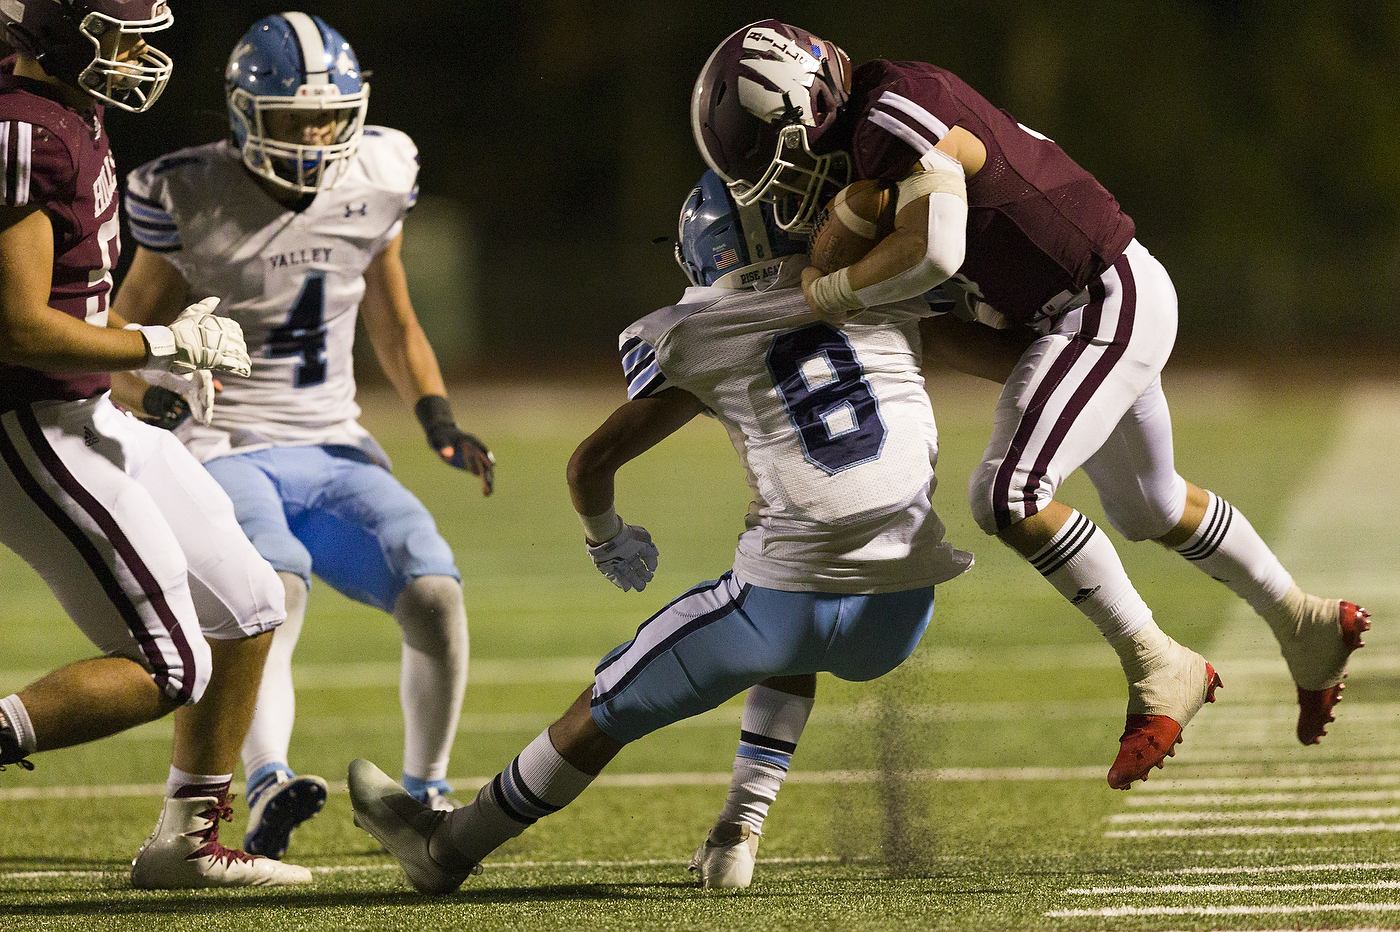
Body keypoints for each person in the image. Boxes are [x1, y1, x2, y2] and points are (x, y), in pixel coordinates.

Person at [691, 20, 1370, 791]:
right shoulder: (872, 151)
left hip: (1100, 298)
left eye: (780, 162)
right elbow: (944, 332)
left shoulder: (890, 112)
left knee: (1007, 492)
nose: (787, 189)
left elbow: (938, 250)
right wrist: (1033, 373)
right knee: (1149, 505)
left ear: (810, 105)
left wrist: (832, 291)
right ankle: (1306, 625)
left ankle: (1158, 663)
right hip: (1076, 317)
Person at [344, 170, 973, 894]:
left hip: (783, 607)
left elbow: (589, 465)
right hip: (903, 609)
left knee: (608, 704)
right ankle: (738, 831)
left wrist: (606, 535)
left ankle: (448, 846)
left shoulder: (694, 333)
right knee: (786, 584)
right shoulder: (884, 293)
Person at [110, 12, 494, 861]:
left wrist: (437, 417)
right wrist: (153, 400)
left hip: (331, 442)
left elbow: (393, 318)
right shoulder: (188, 191)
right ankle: (268, 784)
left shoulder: (381, 172)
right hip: (223, 443)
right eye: (293, 119)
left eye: (328, 119)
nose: (314, 137)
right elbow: (117, 337)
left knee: (435, 591)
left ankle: (426, 795)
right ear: (245, 114)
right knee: (273, 591)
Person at [0, 0, 311, 887]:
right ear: (60, 29)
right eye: (119, 36)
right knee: (169, 664)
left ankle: (185, 845)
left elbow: (74, 301)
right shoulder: (25, 133)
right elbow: (18, 328)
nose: (138, 54)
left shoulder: (69, 109)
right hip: (28, 423)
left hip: (85, 407)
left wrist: (150, 365)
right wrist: (158, 341)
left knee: (250, 607)